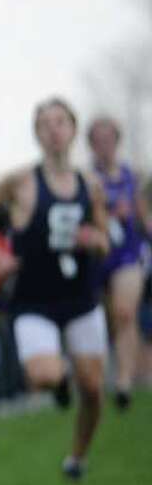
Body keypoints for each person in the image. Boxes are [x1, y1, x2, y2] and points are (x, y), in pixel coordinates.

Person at [0, 97, 110, 481]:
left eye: (60, 121)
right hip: (33, 298)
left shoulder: (90, 184)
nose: (53, 130)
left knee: (93, 388)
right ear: (37, 134)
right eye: (45, 124)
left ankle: (77, 457)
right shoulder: (21, 182)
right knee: (43, 375)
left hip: (79, 297)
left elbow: (104, 238)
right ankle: (60, 382)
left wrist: (94, 240)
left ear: (73, 129)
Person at [86, 116, 151, 411]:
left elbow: (143, 215)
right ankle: (111, 370)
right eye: (98, 140)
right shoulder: (87, 178)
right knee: (109, 319)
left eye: (109, 139)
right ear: (91, 144)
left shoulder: (130, 175)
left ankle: (124, 381)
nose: (104, 145)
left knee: (126, 313)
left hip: (128, 253)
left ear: (116, 141)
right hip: (99, 256)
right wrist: (110, 216)